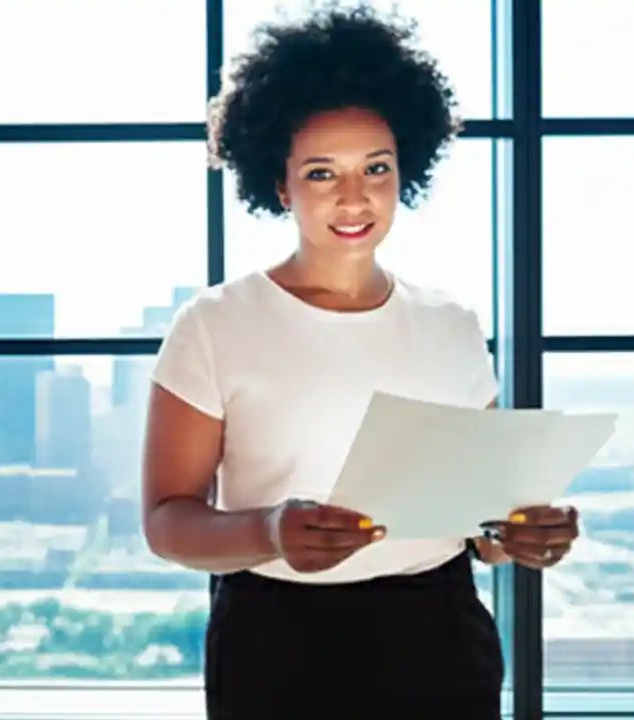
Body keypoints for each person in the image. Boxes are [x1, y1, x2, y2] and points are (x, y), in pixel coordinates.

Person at [141, 5, 580, 718]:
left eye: (376, 167)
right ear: (280, 186)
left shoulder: (452, 326)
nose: (355, 196)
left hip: (442, 636)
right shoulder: (216, 324)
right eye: (322, 173)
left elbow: (481, 526)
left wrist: (522, 534)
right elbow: (167, 522)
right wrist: (269, 531)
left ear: (404, 169)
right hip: (278, 638)